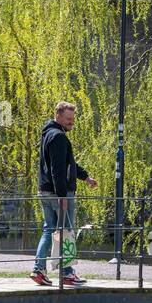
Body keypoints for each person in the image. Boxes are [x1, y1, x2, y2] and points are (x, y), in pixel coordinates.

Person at [31, 101, 97, 286]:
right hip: (58, 193)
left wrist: (85, 177)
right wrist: (62, 197)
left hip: (44, 191)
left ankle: (38, 269)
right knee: (66, 231)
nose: (71, 123)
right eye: (68, 119)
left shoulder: (48, 134)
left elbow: (67, 164)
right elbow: (58, 170)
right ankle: (67, 273)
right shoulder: (59, 137)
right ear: (58, 116)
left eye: (73, 119)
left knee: (49, 230)